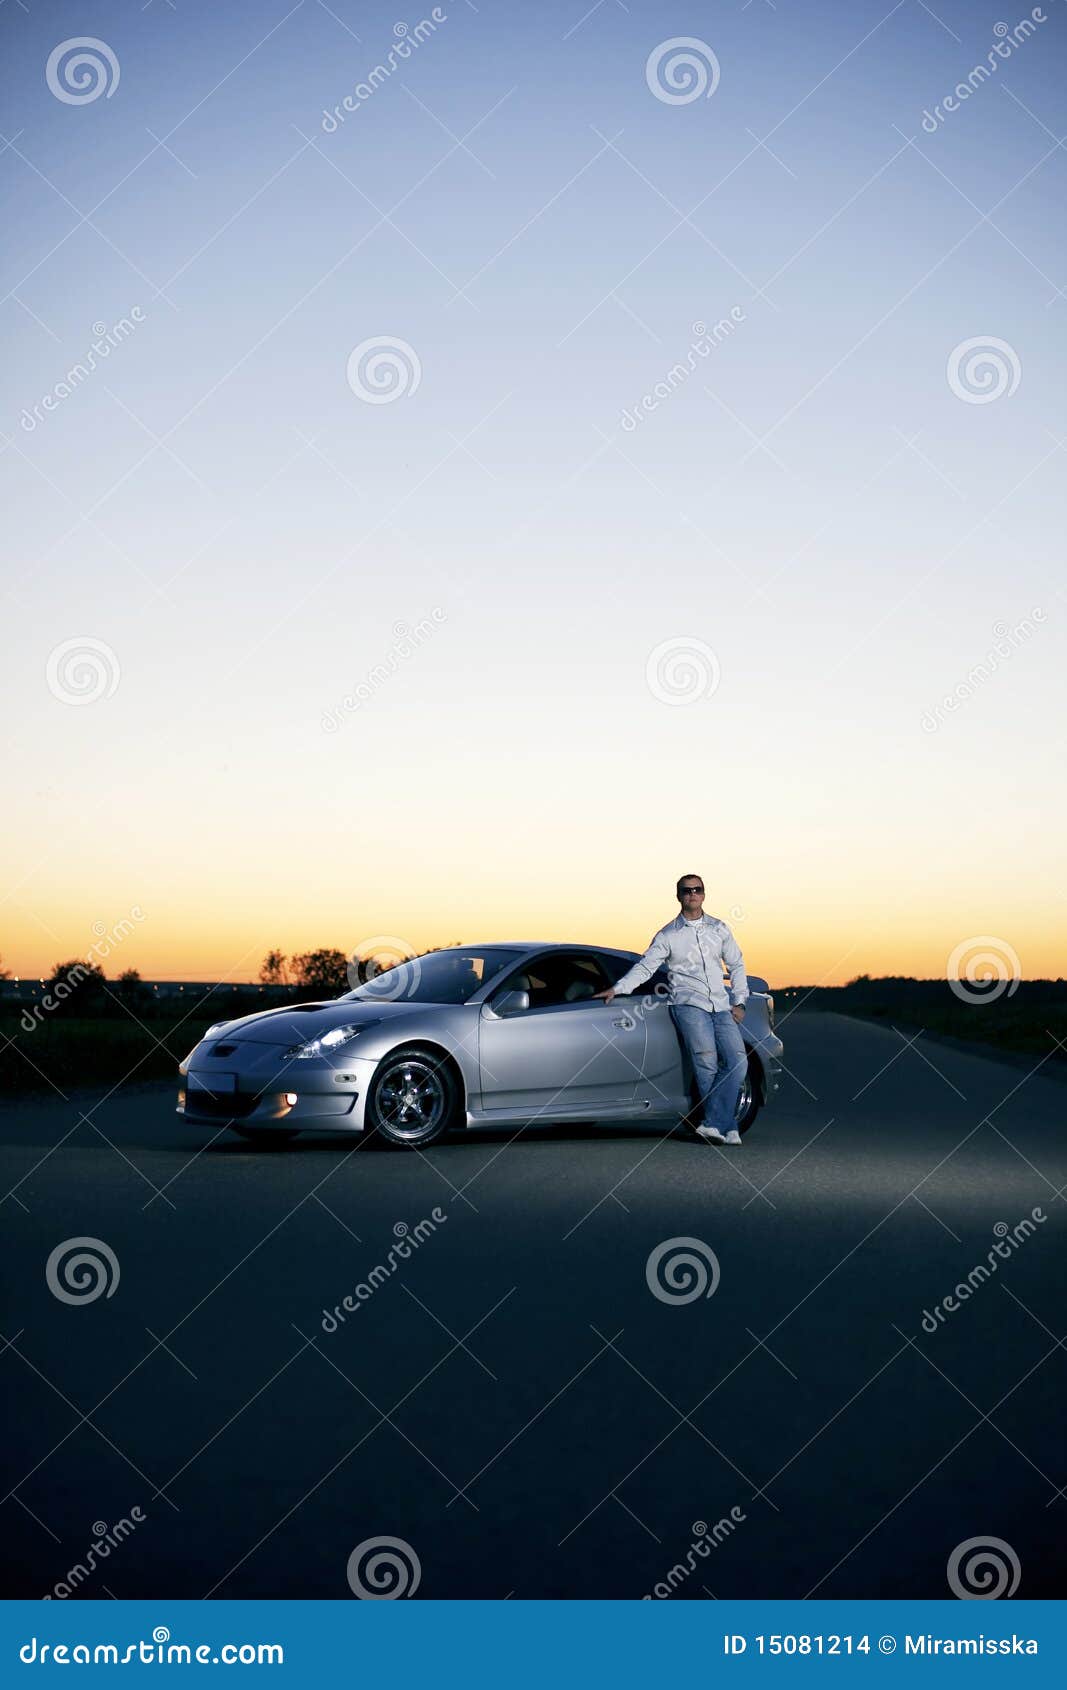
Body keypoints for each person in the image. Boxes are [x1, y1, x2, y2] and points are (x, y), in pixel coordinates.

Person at [595, 875, 749, 1147]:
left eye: (697, 889)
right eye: (686, 890)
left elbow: (736, 965)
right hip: (688, 1004)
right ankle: (723, 1126)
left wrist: (740, 1001)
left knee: (738, 1062)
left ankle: (719, 1123)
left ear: (704, 894)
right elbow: (646, 967)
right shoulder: (668, 935)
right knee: (706, 1063)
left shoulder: (719, 929)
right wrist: (618, 989)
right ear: (678, 896)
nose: (692, 894)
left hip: (721, 1005)